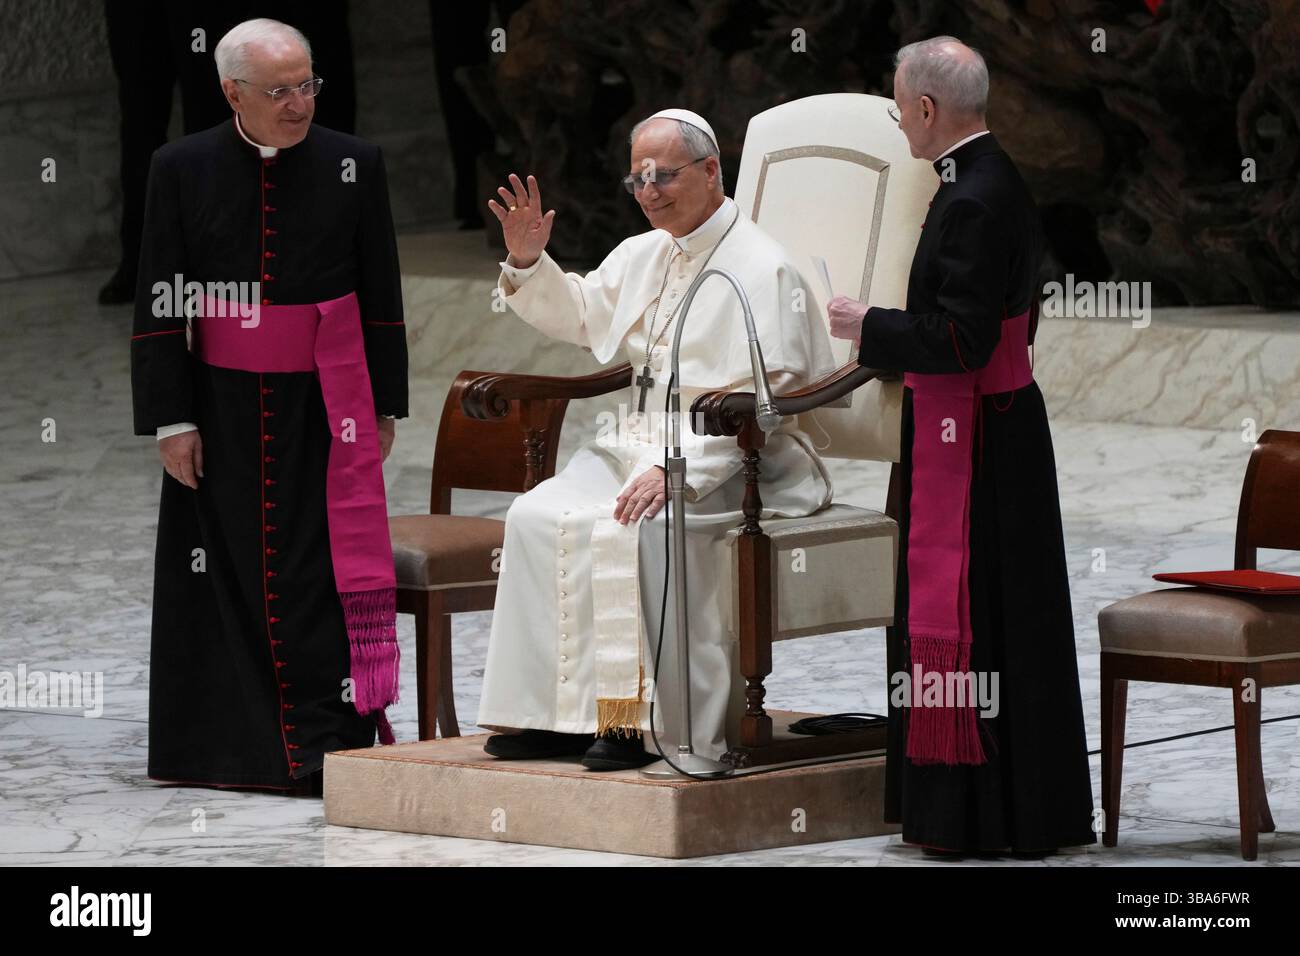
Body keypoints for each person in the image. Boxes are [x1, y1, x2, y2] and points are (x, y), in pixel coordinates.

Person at [477, 109, 836, 771]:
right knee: (533, 515)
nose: (648, 192)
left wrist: (681, 470)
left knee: (632, 531)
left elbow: (772, 399)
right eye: (637, 179)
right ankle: (554, 718)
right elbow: (583, 314)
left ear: (709, 170)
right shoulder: (647, 252)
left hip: (735, 462)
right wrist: (528, 257)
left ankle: (630, 725)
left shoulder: (763, 266)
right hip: (637, 445)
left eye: (663, 176)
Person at [828, 36, 1095, 856]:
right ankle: (1014, 808)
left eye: (898, 103)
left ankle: (977, 817)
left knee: (980, 616)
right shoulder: (990, 177)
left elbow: (965, 338)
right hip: (994, 431)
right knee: (1011, 621)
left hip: (976, 442)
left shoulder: (973, 198)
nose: (897, 117)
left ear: (927, 109)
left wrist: (865, 326)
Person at [130, 18, 407, 794]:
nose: (298, 104)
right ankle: (225, 746)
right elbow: (162, 295)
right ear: (231, 93)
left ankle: (329, 738)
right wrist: (172, 418)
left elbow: (379, 289)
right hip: (218, 406)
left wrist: (382, 403)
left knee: (318, 567)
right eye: (279, 91)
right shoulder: (179, 167)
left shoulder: (355, 163)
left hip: (326, 400)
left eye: (307, 84)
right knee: (222, 569)